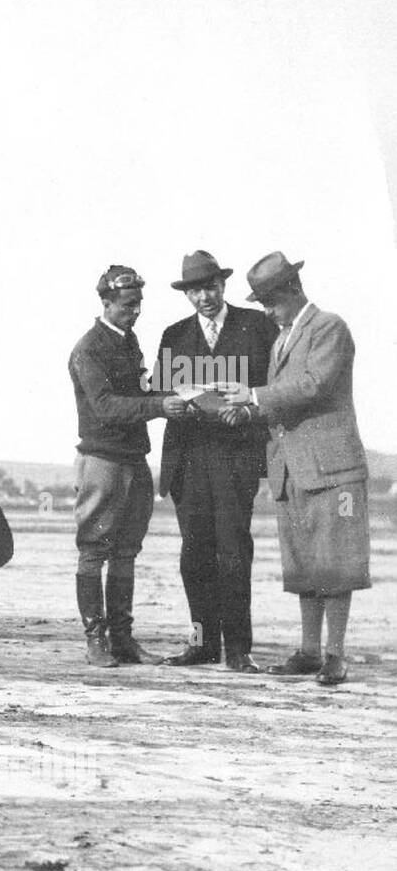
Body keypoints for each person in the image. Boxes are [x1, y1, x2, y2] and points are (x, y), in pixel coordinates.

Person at [220, 252, 370, 686]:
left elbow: (313, 385)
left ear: (291, 291)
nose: (266, 310)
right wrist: (246, 411)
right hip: (292, 468)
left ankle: (335, 655)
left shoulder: (329, 327)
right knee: (303, 562)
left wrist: (253, 396)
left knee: (336, 562)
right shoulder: (281, 338)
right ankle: (308, 651)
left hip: (332, 469)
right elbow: (279, 400)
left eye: (269, 301)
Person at [155, 251, 279, 672]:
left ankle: (239, 650)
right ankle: (202, 644)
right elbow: (161, 393)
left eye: (211, 287)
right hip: (187, 459)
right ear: (186, 294)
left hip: (236, 457)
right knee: (194, 556)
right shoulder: (173, 336)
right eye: (195, 290)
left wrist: (247, 409)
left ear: (223, 286)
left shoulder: (257, 326)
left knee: (233, 551)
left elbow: (272, 388)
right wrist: (178, 404)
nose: (204, 297)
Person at [68, 265, 188, 667]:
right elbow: (104, 407)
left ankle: (122, 640)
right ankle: (95, 642)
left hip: (134, 462)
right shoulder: (89, 349)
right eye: (126, 305)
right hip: (102, 461)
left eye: (138, 304)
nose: (134, 311)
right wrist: (159, 405)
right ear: (105, 303)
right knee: (93, 550)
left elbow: (137, 392)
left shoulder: (127, 341)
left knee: (126, 552)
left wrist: (175, 392)